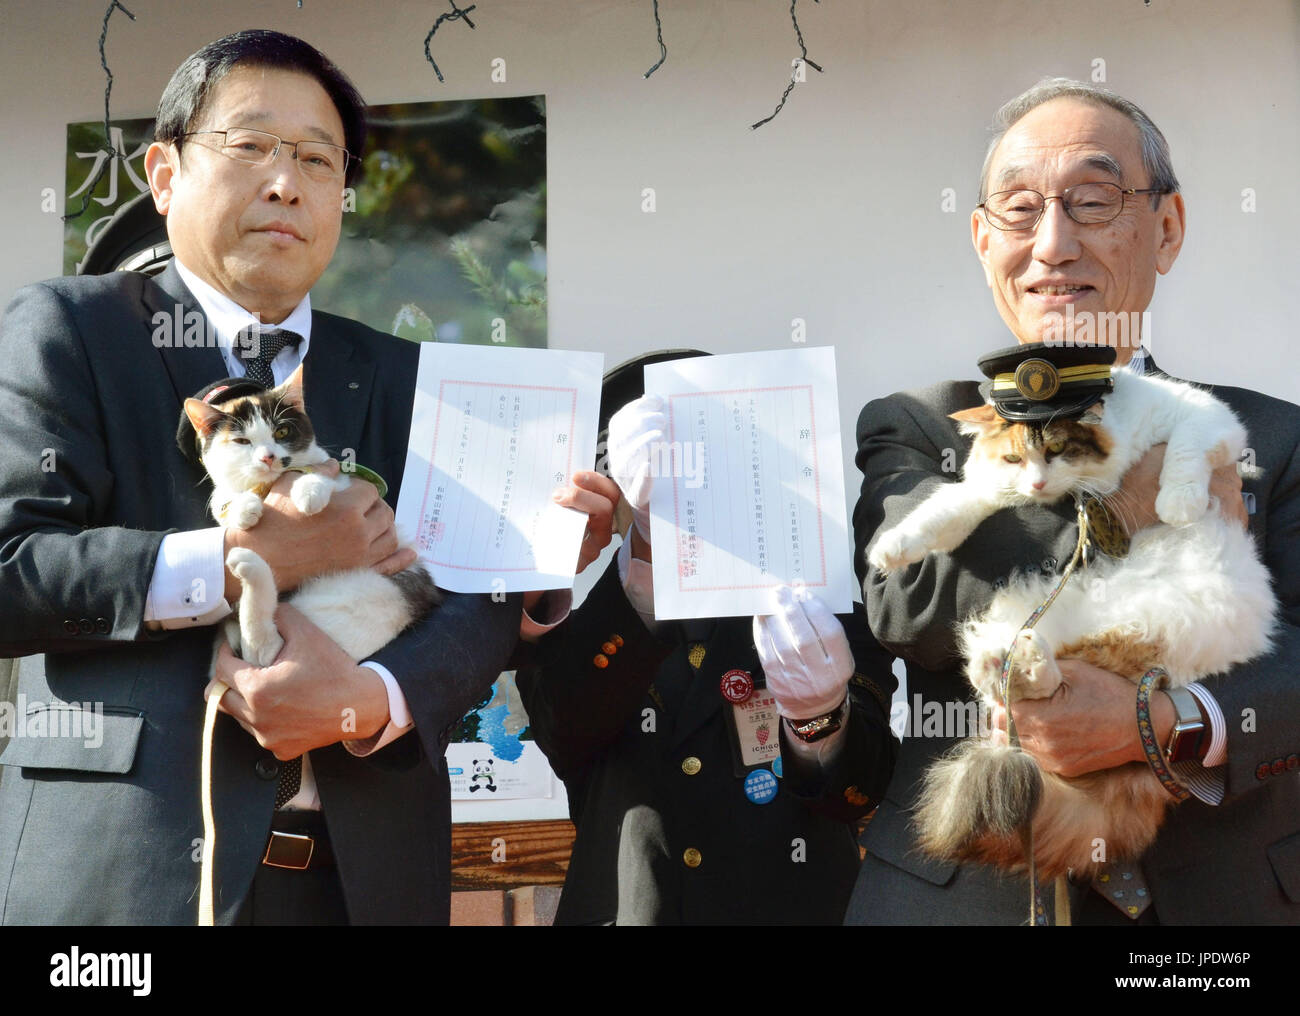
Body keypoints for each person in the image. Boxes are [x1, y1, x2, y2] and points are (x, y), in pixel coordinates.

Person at [0, 29, 613, 925]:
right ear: (165, 175)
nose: (286, 181)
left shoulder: (407, 376)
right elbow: (13, 565)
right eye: (249, 146)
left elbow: (475, 603)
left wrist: (380, 695)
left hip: (366, 881)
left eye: (318, 159)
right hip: (130, 878)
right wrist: (243, 555)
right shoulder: (72, 330)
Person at [845, 78, 1300, 925]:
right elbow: (907, 604)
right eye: (1019, 211)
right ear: (983, 240)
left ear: (1166, 229)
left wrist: (1165, 720)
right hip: (965, 894)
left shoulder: (1268, 438)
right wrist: (1127, 514)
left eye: (1092, 202)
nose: (1052, 245)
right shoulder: (915, 426)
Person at [516, 353, 900, 925]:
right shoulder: (570, 613)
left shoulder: (821, 603)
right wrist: (646, 551)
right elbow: (565, 730)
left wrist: (820, 719)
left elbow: (857, 792)